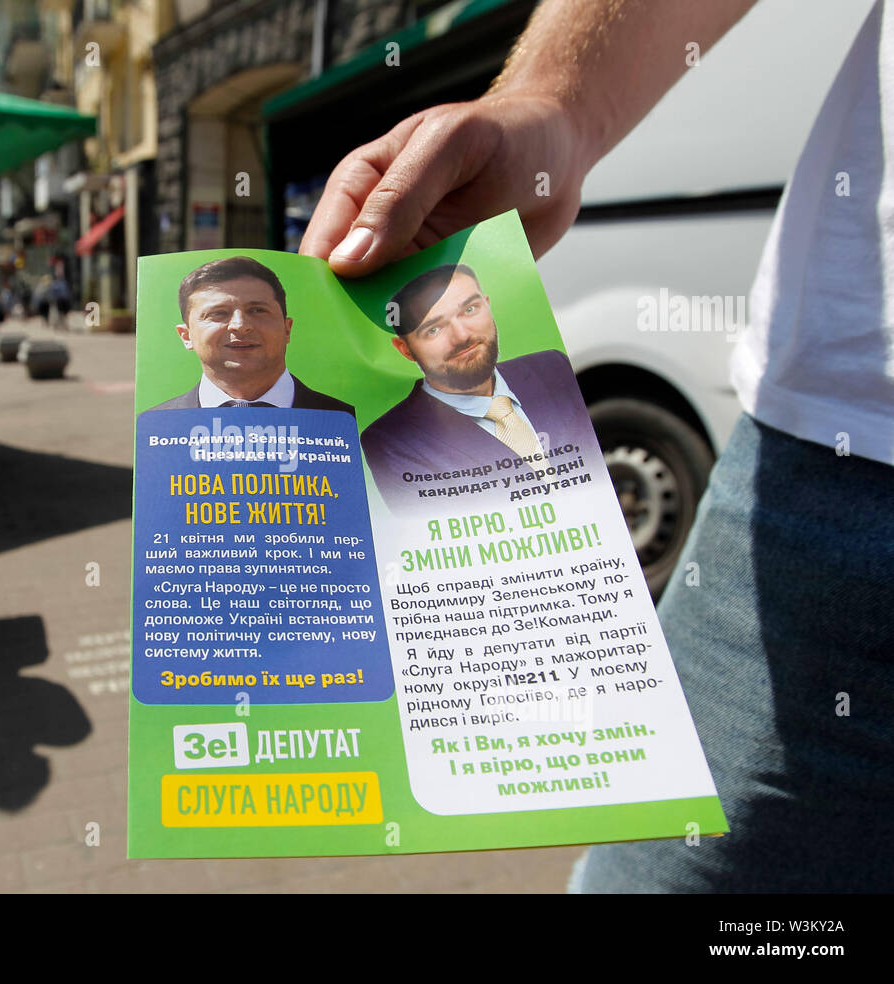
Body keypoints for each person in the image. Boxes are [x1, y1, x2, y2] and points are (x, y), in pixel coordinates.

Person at [302, 0, 894, 892]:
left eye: (467, 311)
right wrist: (552, 104)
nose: (462, 331)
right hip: (838, 469)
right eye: (440, 321)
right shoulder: (404, 431)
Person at [360, 262, 595, 514]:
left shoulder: (552, 367)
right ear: (405, 349)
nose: (462, 336)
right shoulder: (392, 441)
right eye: (434, 329)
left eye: (470, 309)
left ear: (487, 304)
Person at [151, 256, 354, 414]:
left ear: (287, 329)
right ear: (186, 336)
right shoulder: (157, 428)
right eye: (218, 313)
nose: (240, 326)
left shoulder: (347, 422)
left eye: (257, 310)